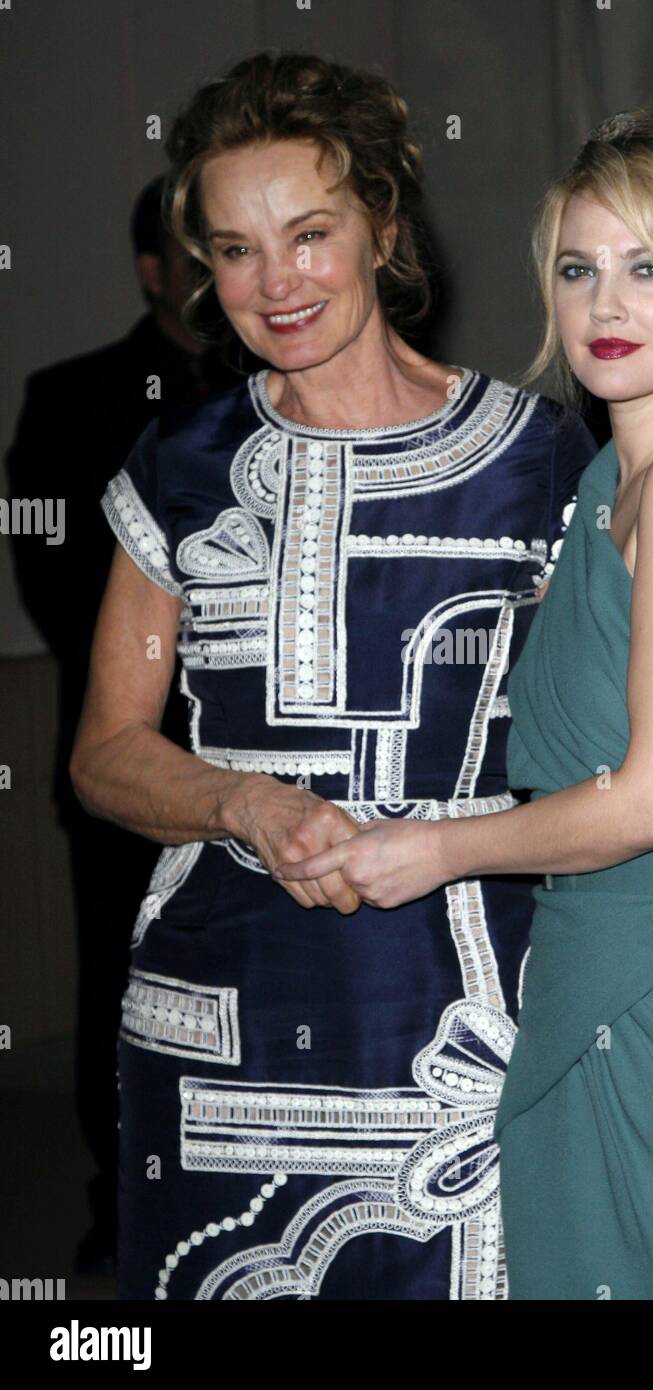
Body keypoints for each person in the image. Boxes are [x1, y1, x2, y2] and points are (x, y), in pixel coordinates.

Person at [70, 56, 653, 1302]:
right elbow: (104, 748)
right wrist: (244, 804)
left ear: (383, 225)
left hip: (481, 1011)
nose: (277, 282)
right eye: (234, 248)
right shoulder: (180, 465)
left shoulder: (544, 460)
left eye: (310, 233)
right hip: (222, 1010)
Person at [287, 110, 653, 1300]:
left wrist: (430, 853)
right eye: (579, 268)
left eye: (648, 268)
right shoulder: (605, 481)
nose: (605, 304)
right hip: (585, 973)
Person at [5, 177, 237, 1275]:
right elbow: (57, 588)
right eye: (208, 251)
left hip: (264, 758)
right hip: (127, 755)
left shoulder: (277, 388)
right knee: (118, 988)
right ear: (154, 269)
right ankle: (122, 1200)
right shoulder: (69, 396)